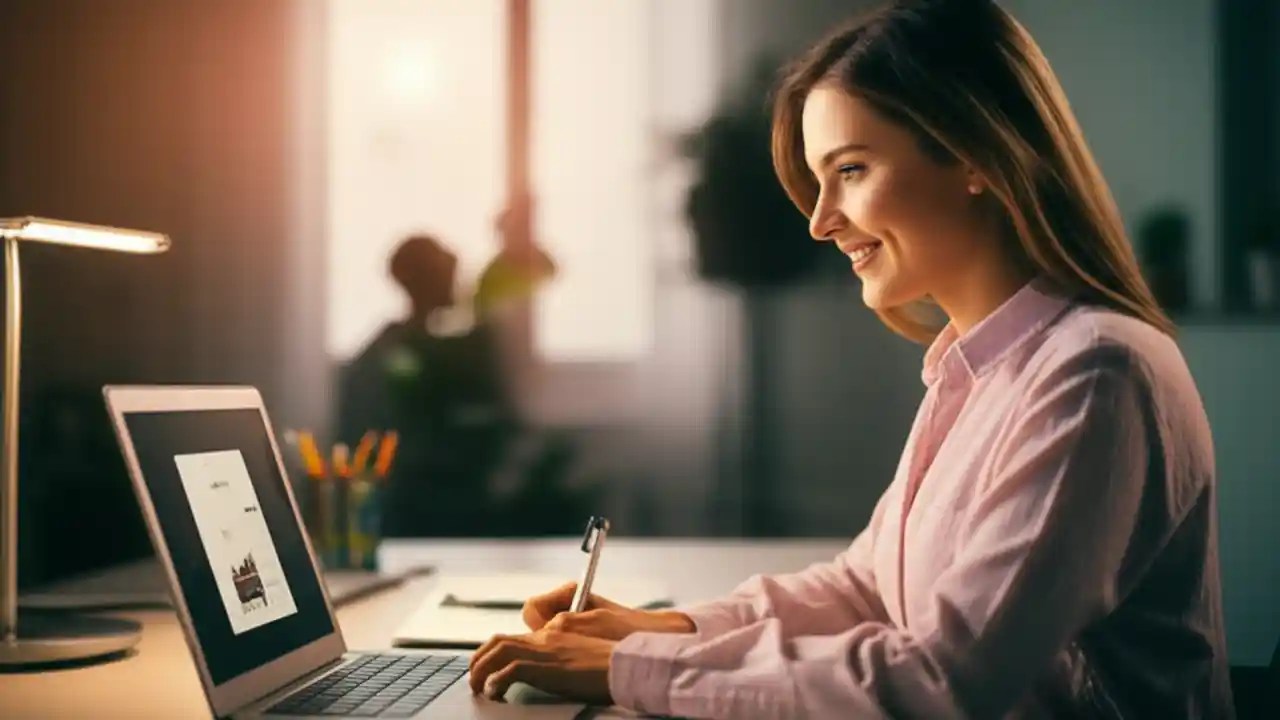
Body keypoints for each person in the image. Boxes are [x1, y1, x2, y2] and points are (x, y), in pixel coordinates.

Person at [466, 0, 1235, 716]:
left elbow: (946, 678)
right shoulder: (981, 366)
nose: (821, 221)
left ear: (975, 156)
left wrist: (629, 670)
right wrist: (663, 628)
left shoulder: (1095, 373)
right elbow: (869, 587)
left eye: (852, 170)